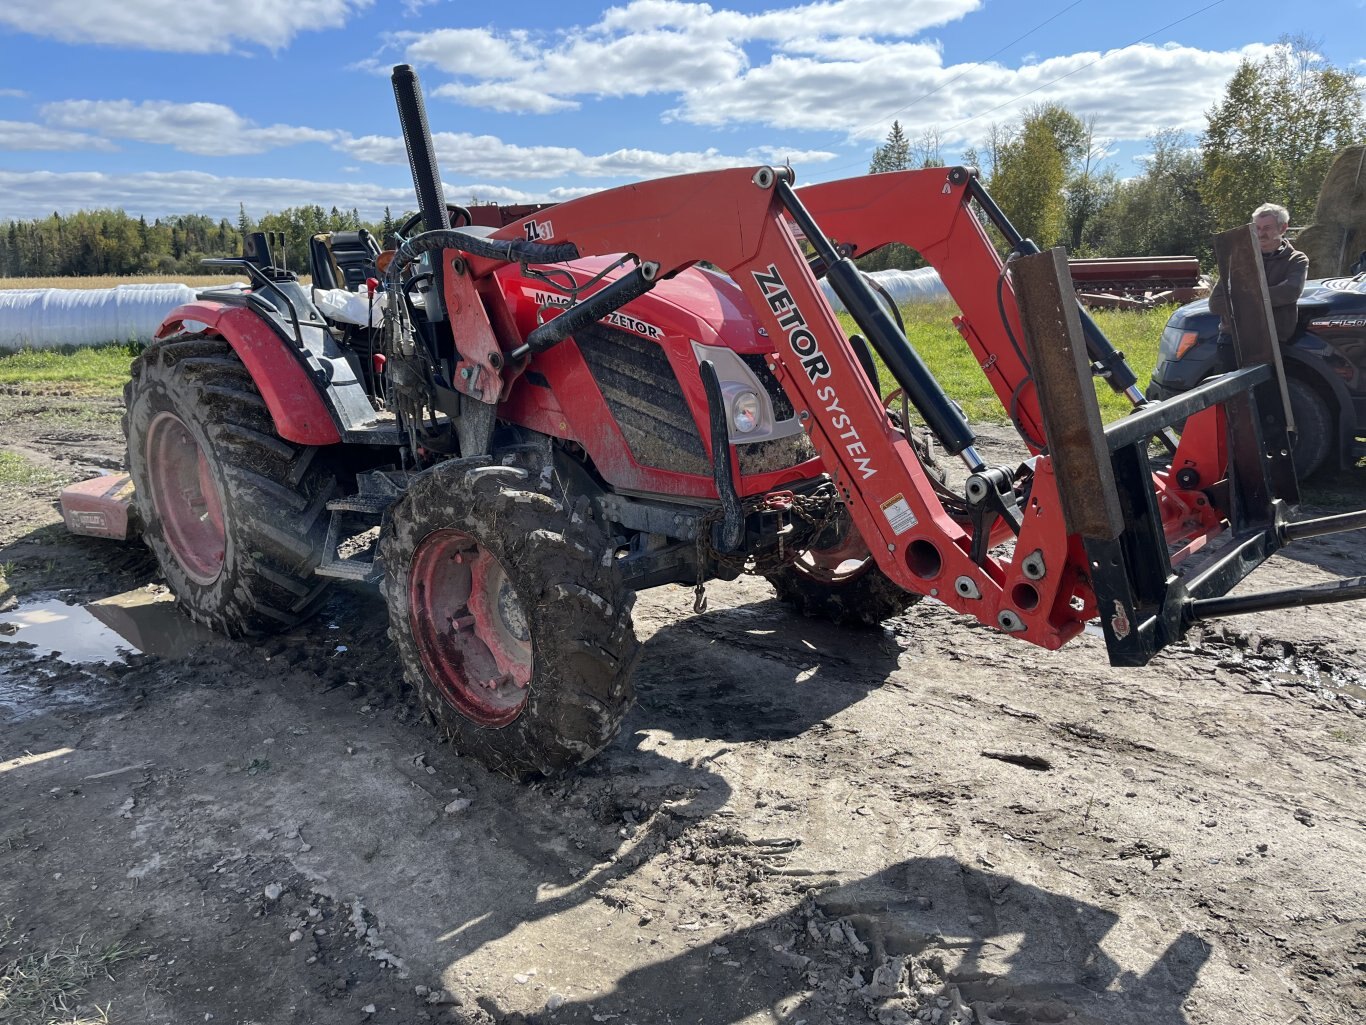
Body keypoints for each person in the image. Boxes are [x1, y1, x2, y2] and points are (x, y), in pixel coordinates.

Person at [1208, 202, 1309, 372]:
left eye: (1267, 228)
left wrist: (1239, 299)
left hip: (1271, 340)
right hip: (1233, 340)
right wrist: (1267, 298)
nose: (1261, 234)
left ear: (1283, 228)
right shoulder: (1237, 259)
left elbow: (1289, 292)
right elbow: (1216, 303)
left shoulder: (1296, 260)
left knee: (1268, 395)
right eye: (1257, 228)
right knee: (1233, 396)